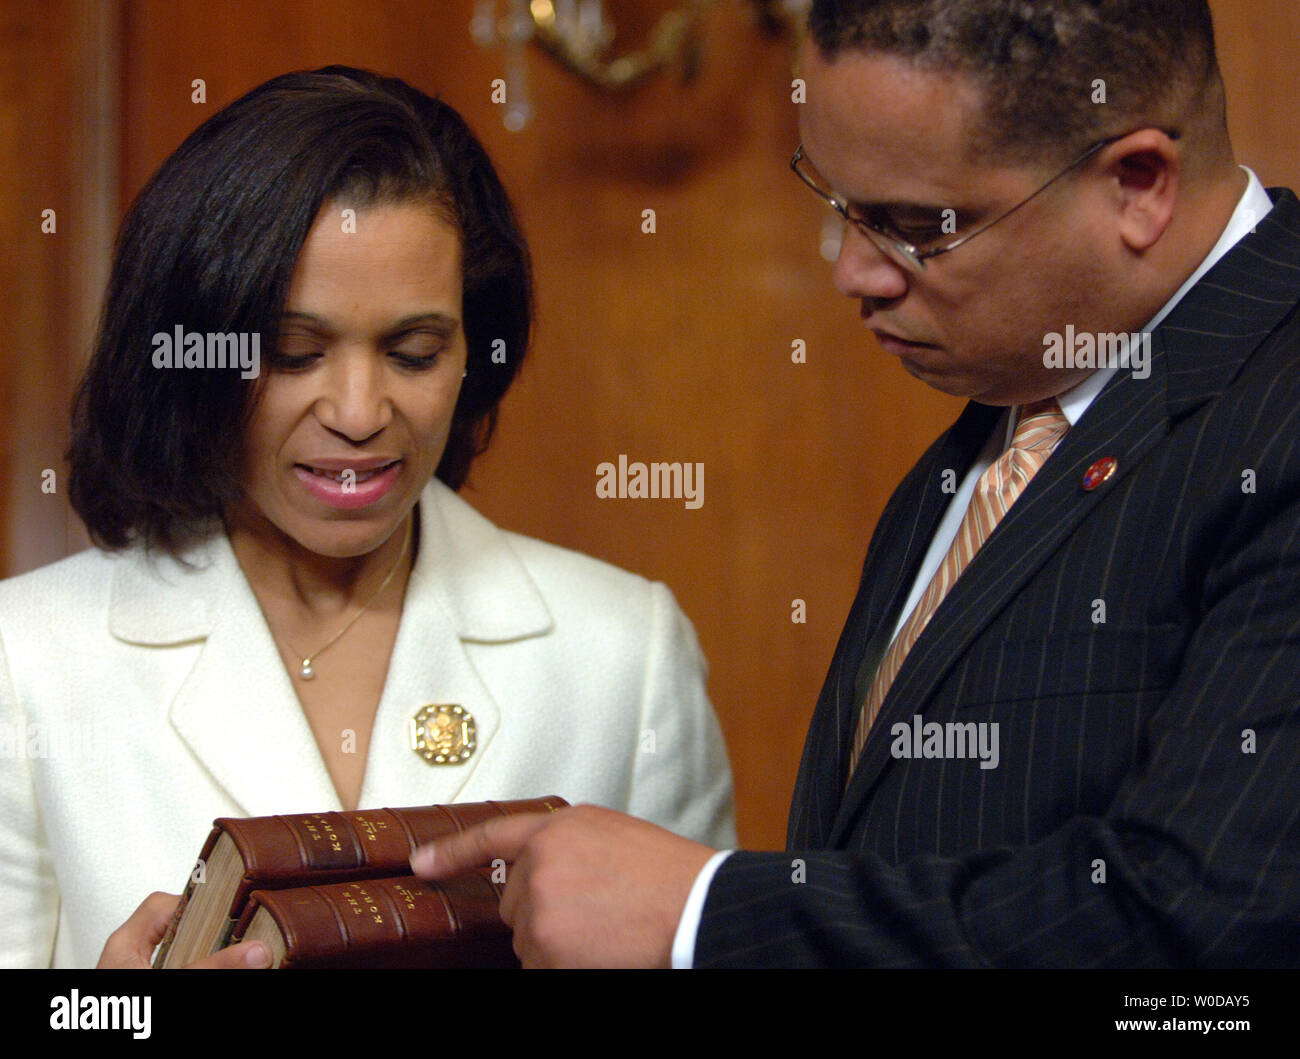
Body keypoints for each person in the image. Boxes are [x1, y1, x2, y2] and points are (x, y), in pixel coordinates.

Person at [415, 0, 1300, 967]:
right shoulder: (1016, 409)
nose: (852, 271)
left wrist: (707, 915)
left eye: (915, 226)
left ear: (1138, 184)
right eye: (834, 205)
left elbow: (1207, 930)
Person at [0, 66, 734, 969]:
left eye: (413, 352)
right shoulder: (27, 658)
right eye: (296, 353)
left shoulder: (625, 649)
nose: (358, 411)